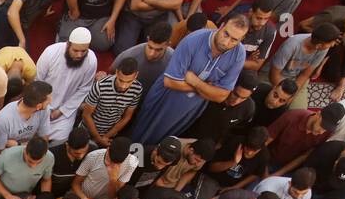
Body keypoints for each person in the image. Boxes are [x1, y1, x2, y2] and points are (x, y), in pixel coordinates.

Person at [131, 15, 248, 144]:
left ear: (241, 40)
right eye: (226, 34)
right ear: (221, 26)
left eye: (234, 40)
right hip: (165, 99)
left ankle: (142, 163)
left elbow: (221, 96)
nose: (226, 42)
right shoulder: (193, 40)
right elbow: (170, 82)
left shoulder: (239, 54)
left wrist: (196, 81)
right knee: (139, 138)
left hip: (190, 109)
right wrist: (209, 88)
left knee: (161, 143)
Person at [34, 30, 97, 143]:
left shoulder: (91, 60)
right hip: (40, 105)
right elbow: (37, 82)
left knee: (60, 141)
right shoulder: (51, 52)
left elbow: (84, 89)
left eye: (83, 51)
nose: (79, 55)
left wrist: (62, 111)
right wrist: (44, 108)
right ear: (68, 44)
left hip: (65, 111)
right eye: (75, 50)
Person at [81, 58, 142, 148]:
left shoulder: (137, 89)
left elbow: (127, 117)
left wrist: (106, 137)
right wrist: (98, 138)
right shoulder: (100, 86)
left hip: (110, 135)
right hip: (88, 131)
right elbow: (86, 115)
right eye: (121, 80)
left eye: (129, 82)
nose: (123, 86)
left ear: (136, 75)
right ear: (116, 72)